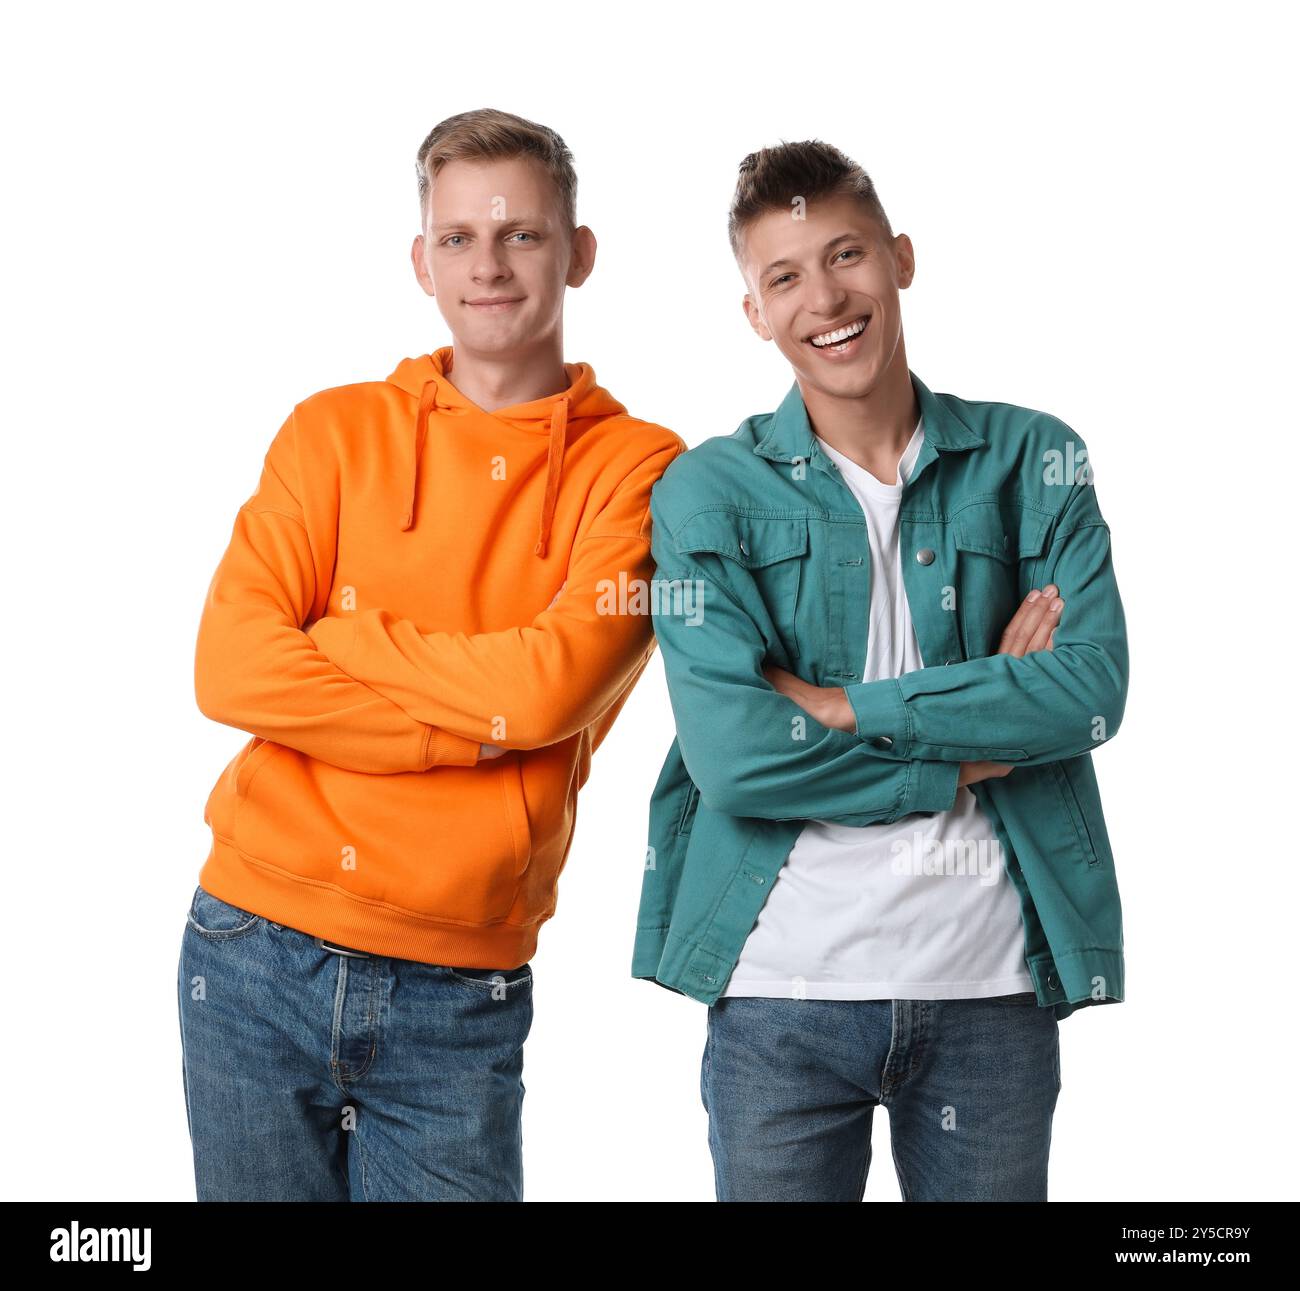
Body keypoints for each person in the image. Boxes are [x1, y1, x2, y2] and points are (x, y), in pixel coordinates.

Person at [179, 107, 683, 1201]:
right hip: (252, 945)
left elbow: (551, 688)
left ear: (579, 252)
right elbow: (232, 667)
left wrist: (349, 641)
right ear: (421, 261)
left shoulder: (640, 470)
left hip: (461, 983)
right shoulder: (333, 432)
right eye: (457, 238)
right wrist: (476, 722)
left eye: (522, 235)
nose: (488, 266)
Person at [634, 139, 1128, 1201]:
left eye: (846, 254)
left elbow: (1087, 692)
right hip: (779, 997)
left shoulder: (1031, 458)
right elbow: (734, 758)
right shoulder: (704, 493)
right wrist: (958, 755)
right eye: (784, 277)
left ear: (900, 258)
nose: (826, 296)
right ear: (755, 314)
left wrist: (840, 706)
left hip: (989, 991)